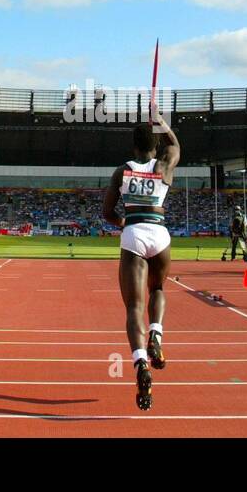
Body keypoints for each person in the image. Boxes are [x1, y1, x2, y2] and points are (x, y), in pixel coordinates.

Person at [102, 106, 180, 411]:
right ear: (155, 146)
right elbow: (176, 145)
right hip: (160, 234)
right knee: (158, 290)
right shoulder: (164, 166)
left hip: (134, 233)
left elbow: (108, 213)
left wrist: (124, 224)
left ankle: (140, 365)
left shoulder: (122, 171)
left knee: (133, 306)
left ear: (134, 146)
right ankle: (157, 334)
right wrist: (162, 123)